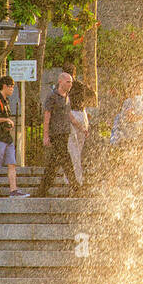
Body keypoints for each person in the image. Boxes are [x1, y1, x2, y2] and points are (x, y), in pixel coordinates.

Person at [33, 71, 77, 197]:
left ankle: (42, 190)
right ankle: (75, 186)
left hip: (65, 134)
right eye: (68, 82)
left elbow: (69, 115)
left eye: (71, 82)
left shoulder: (67, 97)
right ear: (60, 81)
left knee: (54, 163)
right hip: (56, 134)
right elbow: (47, 117)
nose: (70, 84)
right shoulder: (52, 97)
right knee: (66, 159)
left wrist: (80, 127)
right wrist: (45, 136)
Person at [62, 60, 95, 188]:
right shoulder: (81, 85)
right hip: (83, 115)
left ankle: (72, 178)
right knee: (78, 149)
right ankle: (76, 177)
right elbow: (93, 94)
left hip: (72, 115)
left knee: (72, 149)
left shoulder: (65, 87)